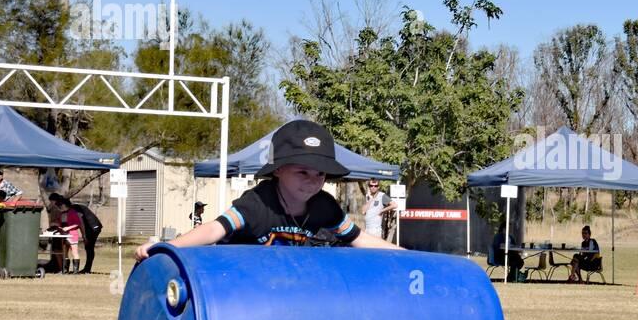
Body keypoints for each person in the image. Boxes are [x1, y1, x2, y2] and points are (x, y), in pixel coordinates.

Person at [135, 120, 401, 260]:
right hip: (237, 279)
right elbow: (215, 229)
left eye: (320, 173)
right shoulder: (258, 203)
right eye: (302, 172)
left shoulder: (325, 206)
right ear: (278, 170)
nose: (313, 180)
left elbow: (359, 238)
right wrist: (167, 247)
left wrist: (407, 255)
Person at [50, 193, 102, 274]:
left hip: (93, 226)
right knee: (87, 247)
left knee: (89, 247)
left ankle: (87, 269)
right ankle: (83, 269)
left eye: (59, 205)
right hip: (87, 226)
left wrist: (84, 236)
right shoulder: (68, 210)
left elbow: (80, 223)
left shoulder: (74, 210)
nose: (58, 207)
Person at [56, 199, 84, 274]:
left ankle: (75, 271)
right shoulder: (61, 214)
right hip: (64, 235)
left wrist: (68, 228)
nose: (60, 207)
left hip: (72, 234)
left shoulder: (72, 212)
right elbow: (59, 223)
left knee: (74, 252)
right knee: (65, 252)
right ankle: (65, 270)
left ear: (65, 205)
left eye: (61, 205)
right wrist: (59, 228)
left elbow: (77, 223)